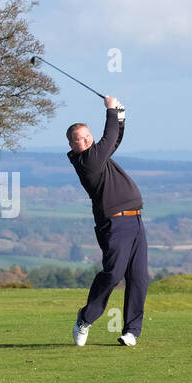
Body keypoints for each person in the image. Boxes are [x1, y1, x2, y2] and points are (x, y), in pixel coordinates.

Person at [66, 95, 148, 346]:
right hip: (114, 225)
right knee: (113, 274)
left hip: (135, 221)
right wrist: (112, 110)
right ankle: (85, 318)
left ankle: (131, 331)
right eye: (78, 139)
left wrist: (120, 117)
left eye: (86, 135)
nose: (84, 140)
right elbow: (109, 138)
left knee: (139, 277)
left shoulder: (98, 154)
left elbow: (114, 140)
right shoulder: (87, 161)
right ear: (72, 145)